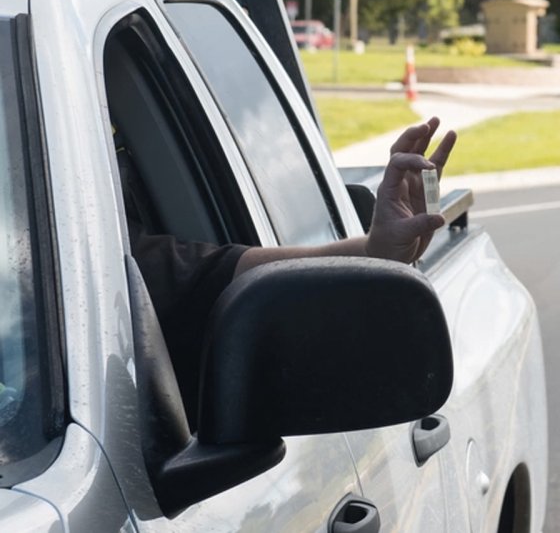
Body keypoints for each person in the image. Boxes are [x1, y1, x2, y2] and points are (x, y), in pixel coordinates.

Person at [127, 117, 456, 422]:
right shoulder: (107, 264)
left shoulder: (118, 266)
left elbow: (218, 275)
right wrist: (375, 253)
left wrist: (376, 252)